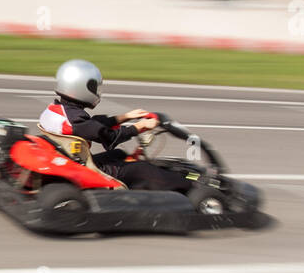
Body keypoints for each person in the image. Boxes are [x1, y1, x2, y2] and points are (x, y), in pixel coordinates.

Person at [38, 59, 191, 193]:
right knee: (143, 168)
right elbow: (110, 137)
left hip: (72, 162)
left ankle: (140, 187)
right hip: (87, 170)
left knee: (119, 155)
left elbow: (92, 126)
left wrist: (125, 117)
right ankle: (190, 187)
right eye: (93, 87)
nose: (96, 91)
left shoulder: (57, 111)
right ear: (80, 87)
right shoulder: (76, 120)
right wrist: (140, 126)